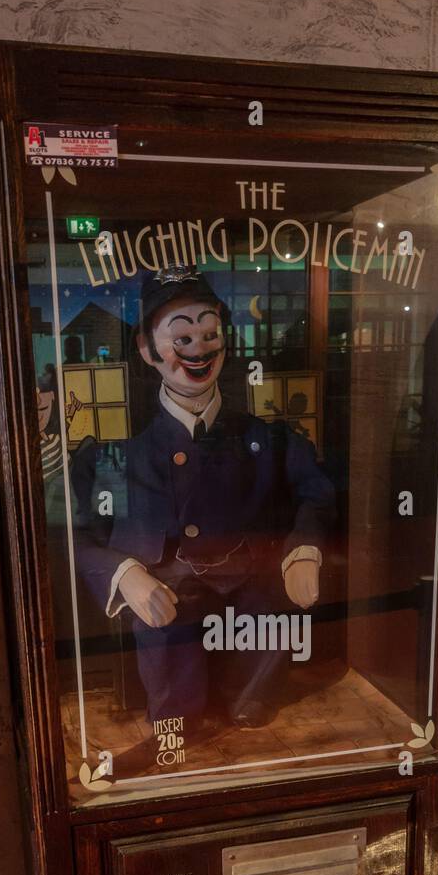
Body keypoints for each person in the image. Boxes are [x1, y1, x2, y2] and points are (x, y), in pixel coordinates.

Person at [73, 265, 336, 729]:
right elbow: (76, 536)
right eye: (182, 337)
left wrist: (304, 549)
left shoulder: (269, 439)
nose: (198, 348)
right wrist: (125, 574)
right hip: (167, 623)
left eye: (209, 333)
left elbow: (317, 491)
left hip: (255, 631)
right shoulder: (116, 451)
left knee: (257, 721)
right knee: (176, 720)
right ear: (146, 348)